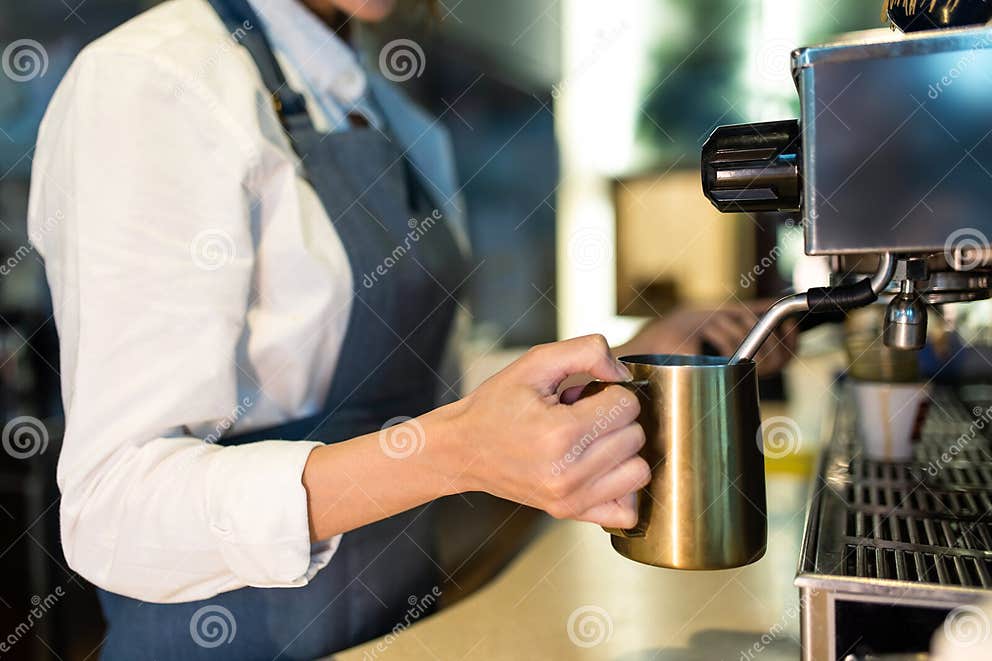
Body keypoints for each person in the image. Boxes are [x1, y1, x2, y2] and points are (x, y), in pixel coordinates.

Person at [26, 0, 795, 657]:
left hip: (404, 626)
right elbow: (112, 509)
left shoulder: (391, 112)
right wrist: (456, 449)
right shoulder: (153, 83)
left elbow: (418, 385)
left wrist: (629, 357)